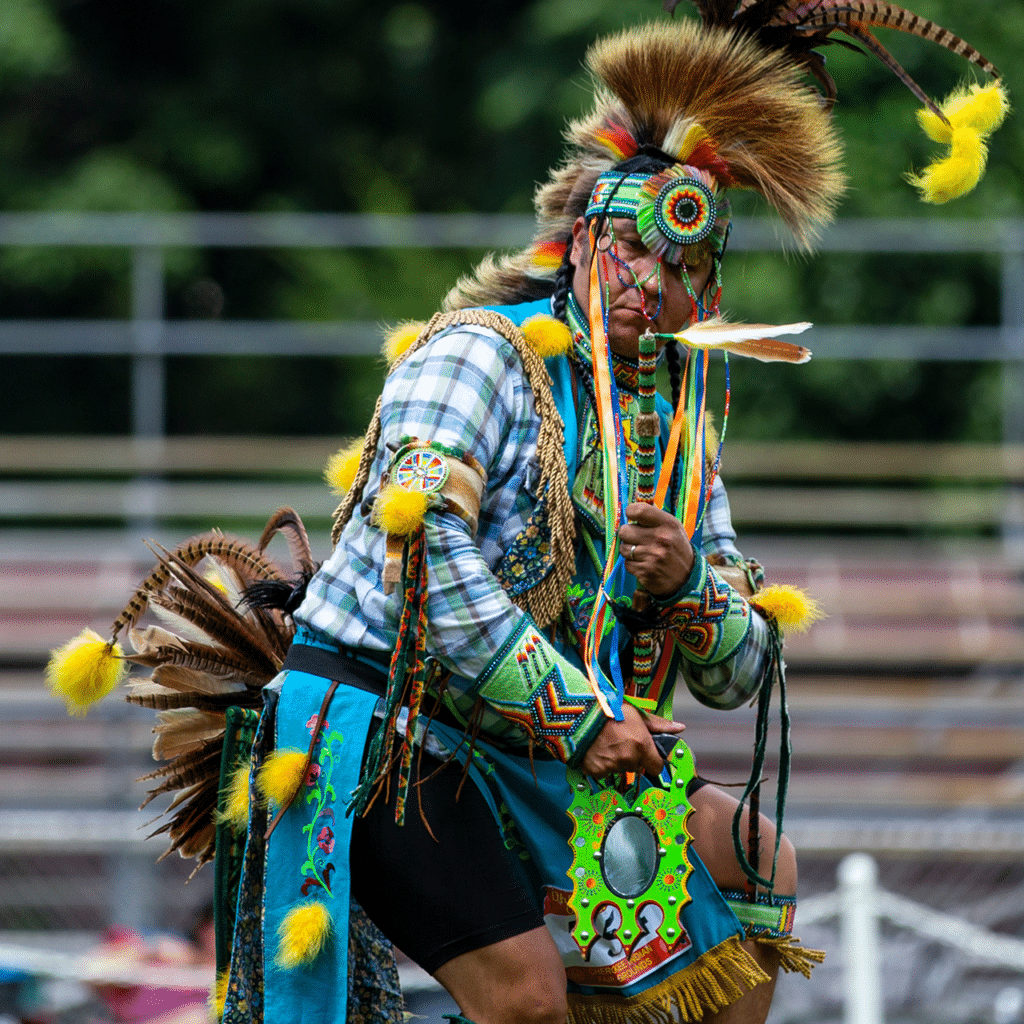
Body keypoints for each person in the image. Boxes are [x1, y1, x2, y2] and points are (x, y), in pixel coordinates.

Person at [45, 6, 1006, 1024]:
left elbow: (737, 676)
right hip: (386, 723)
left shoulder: (678, 433)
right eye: (631, 248)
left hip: (518, 739)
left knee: (754, 855)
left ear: (710, 288)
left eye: (683, 267)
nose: (652, 283)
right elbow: (423, 553)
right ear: (582, 244)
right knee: (525, 997)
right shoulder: (479, 353)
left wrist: (687, 585)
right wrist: (580, 714)